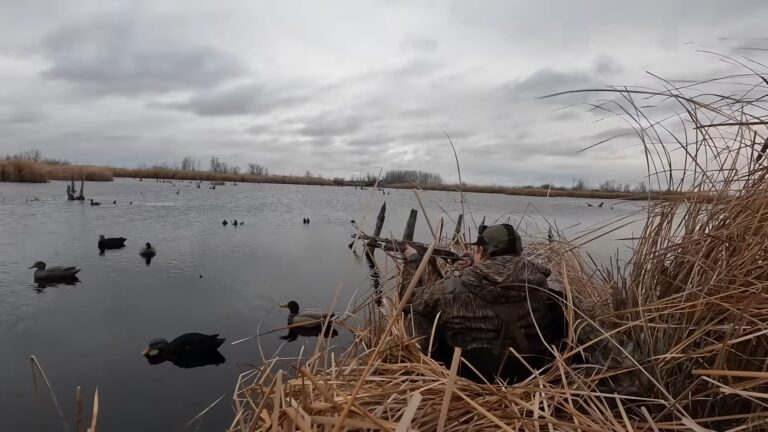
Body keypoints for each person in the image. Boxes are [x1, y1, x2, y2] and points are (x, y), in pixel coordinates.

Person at [401, 223, 566, 383]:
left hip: (468, 375)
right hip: (527, 375)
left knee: (417, 315)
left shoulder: (453, 288)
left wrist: (414, 260)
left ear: (480, 251)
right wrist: (479, 263)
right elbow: (505, 273)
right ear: (519, 252)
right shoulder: (540, 285)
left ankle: (423, 375)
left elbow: (409, 300)